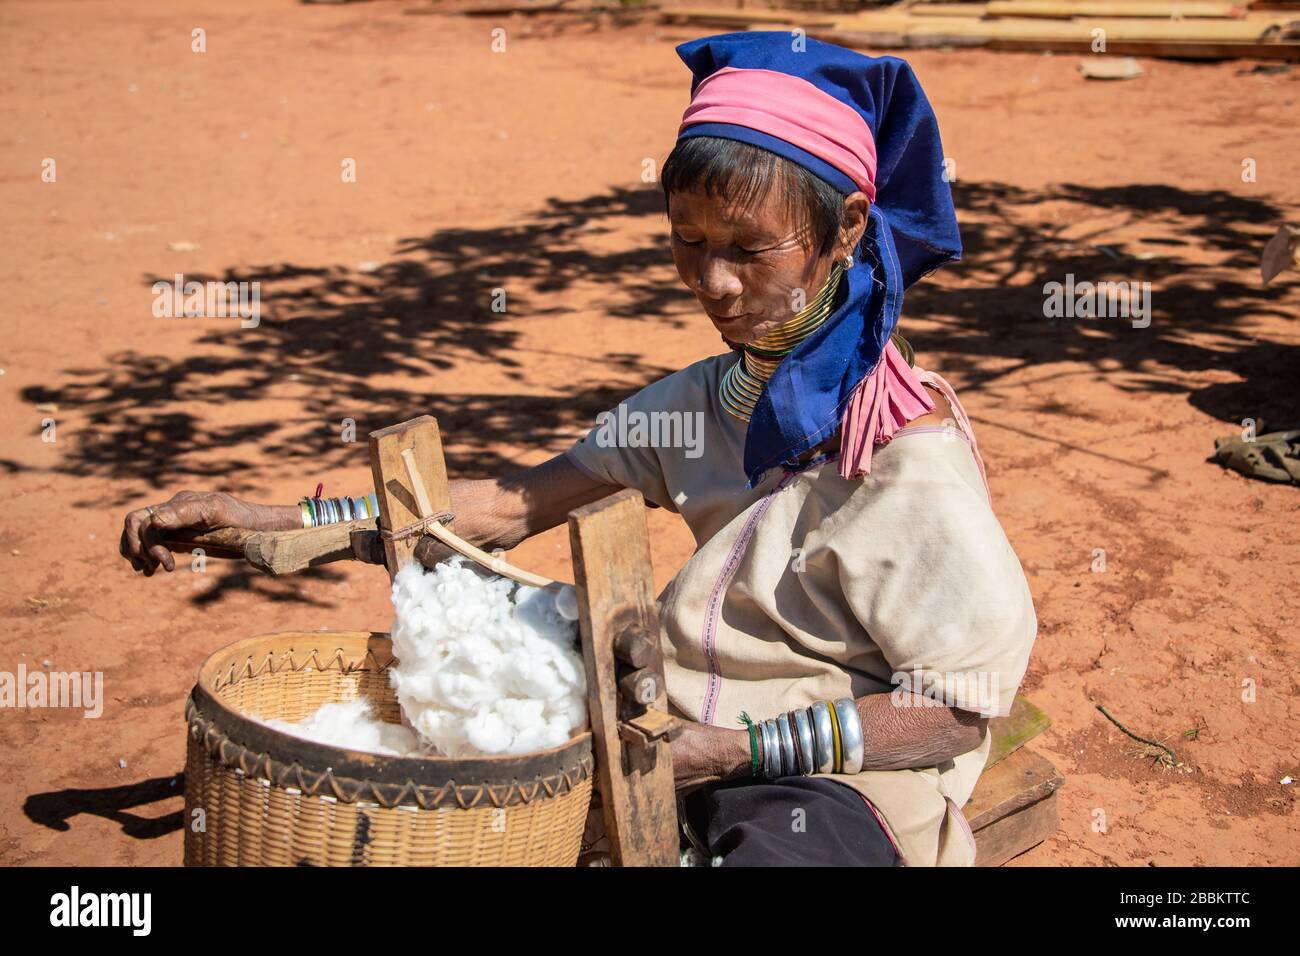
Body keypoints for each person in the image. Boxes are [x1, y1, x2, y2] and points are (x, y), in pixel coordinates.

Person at [120, 32, 1037, 867]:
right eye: (687, 241)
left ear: (843, 229)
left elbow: (952, 712)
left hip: (836, 778)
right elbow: (510, 506)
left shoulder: (906, 459)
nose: (712, 282)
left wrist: (735, 753)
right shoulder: (701, 406)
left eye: (750, 249)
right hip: (670, 729)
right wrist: (272, 525)